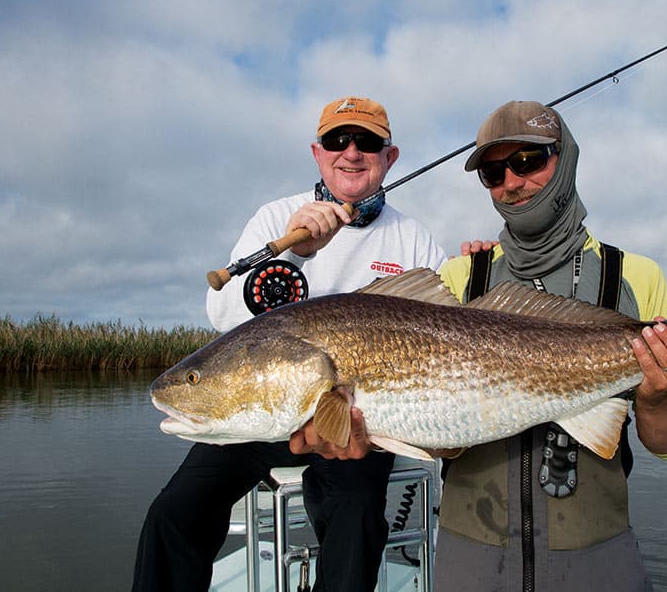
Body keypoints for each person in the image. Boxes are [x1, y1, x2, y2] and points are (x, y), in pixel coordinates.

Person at [133, 96, 447, 592]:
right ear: (317, 152)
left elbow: (444, 331)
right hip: (260, 416)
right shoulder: (275, 219)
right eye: (336, 140)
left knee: (356, 515)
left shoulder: (413, 239)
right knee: (173, 514)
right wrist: (295, 254)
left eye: (367, 142)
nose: (351, 152)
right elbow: (223, 314)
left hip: (355, 421)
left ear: (390, 158)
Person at [433, 100, 667, 590]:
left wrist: (657, 397)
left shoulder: (636, 277)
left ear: (567, 158)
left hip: (597, 552)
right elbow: (440, 436)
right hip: (469, 554)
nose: (512, 184)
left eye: (528, 162)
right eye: (494, 173)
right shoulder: (458, 279)